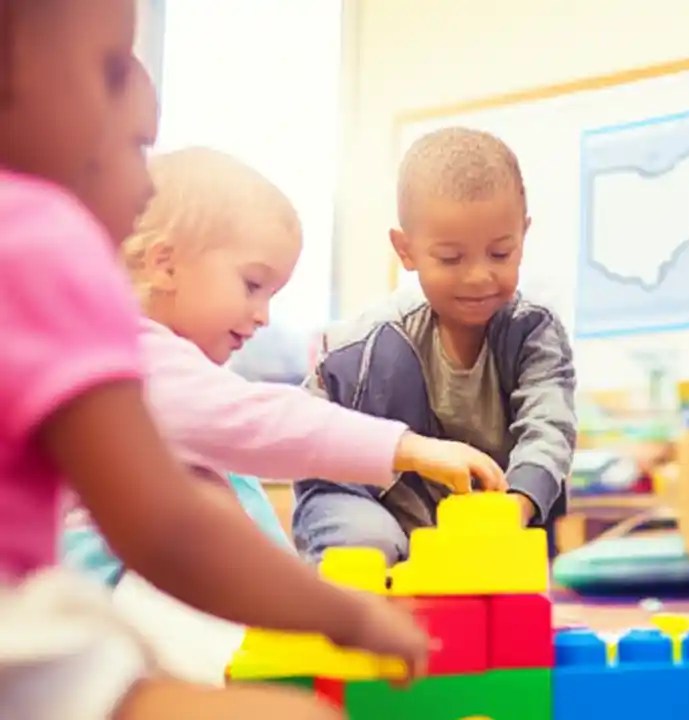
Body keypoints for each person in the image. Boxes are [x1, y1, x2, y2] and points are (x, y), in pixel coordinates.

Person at [0, 3, 425, 718]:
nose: (145, 186)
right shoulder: (43, 239)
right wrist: (342, 613)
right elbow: (169, 526)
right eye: (108, 73)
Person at [63, 138, 509, 588]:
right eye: (252, 284)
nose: (263, 315)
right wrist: (411, 449)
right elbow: (265, 422)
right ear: (165, 264)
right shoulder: (138, 365)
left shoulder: (162, 369)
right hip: (115, 609)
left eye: (271, 295)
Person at [292, 127, 576, 564]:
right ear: (406, 251)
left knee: (509, 572)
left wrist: (514, 507)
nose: (480, 277)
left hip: (467, 513)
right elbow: (308, 431)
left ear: (524, 235)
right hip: (362, 494)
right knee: (371, 546)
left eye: (501, 254)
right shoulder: (368, 346)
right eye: (450, 259)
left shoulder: (533, 332)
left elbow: (548, 426)